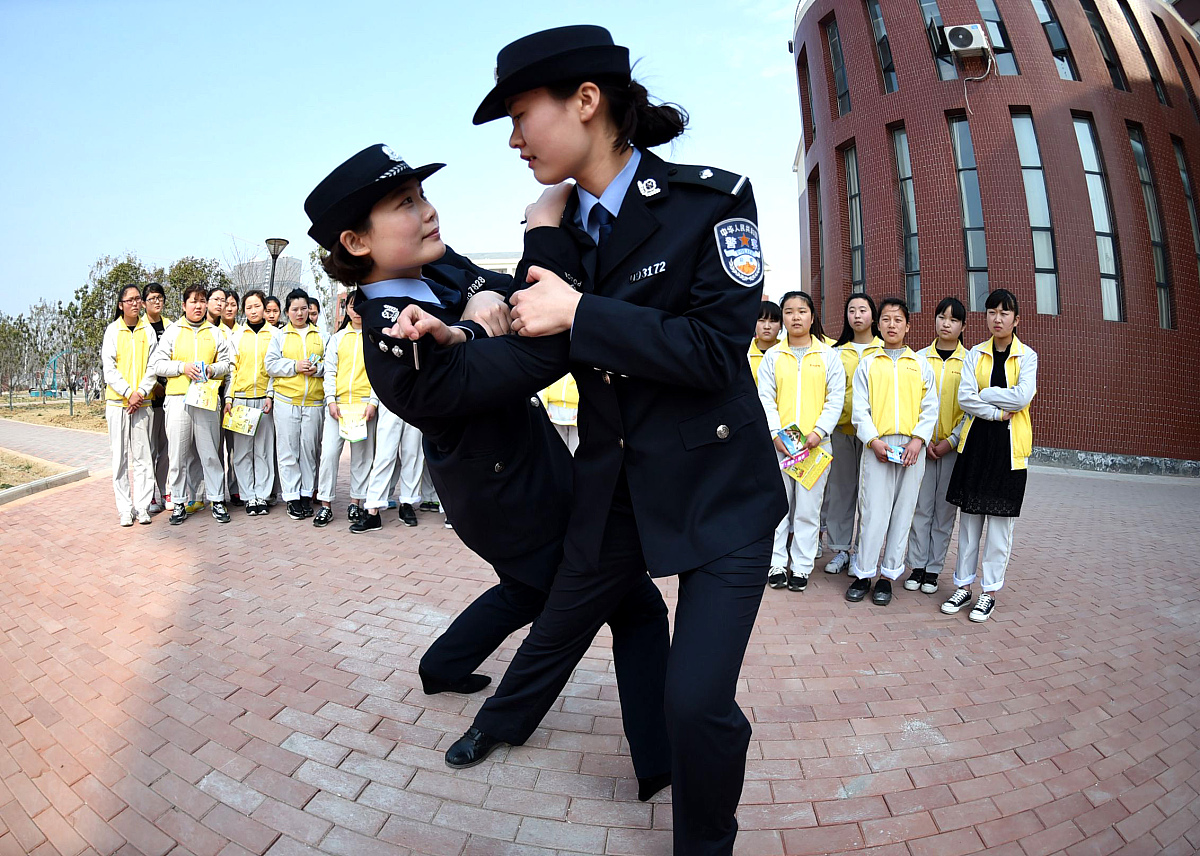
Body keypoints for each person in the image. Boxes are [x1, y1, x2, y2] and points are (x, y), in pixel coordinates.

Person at [443, 26, 787, 855]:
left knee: (695, 699)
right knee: (562, 618)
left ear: (587, 102)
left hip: (719, 489)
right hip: (617, 485)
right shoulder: (567, 228)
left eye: (522, 116)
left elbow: (712, 350)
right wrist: (468, 323)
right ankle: (503, 721)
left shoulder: (709, 202)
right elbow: (539, 324)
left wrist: (581, 311)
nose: (515, 140)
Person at [303, 142, 671, 796]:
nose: (429, 213)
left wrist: (482, 313)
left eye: (423, 196)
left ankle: (444, 666)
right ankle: (611, 749)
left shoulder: (434, 268)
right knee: (623, 606)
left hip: (535, 473)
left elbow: (506, 293)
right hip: (508, 506)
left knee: (535, 596)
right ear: (357, 241)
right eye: (405, 204)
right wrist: (543, 231)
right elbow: (542, 352)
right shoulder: (398, 337)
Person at [941, 288, 1037, 622]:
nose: (998, 318)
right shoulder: (974, 355)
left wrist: (986, 392)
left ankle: (989, 591)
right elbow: (965, 398)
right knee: (969, 523)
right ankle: (963, 586)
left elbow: (1022, 398)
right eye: (992, 312)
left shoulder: (1028, 357)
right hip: (977, 445)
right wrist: (996, 409)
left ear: (1016, 319)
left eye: (1005, 313)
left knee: (999, 528)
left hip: (1009, 452)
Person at [846, 297, 938, 605]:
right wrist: (872, 440)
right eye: (886, 319)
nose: (892, 325)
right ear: (878, 324)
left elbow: (930, 408)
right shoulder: (869, 364)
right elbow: (860, 409)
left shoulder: (920, 364)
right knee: (872, 511)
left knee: (903, 512)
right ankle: (863, 573)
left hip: (912, 449)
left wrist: (918, 440)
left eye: (898, 320)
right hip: (879, 447)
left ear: (908, 325)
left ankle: (887, 576)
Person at [757, 291, 844, 592]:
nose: (795, 317)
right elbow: (765, 398)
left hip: (814, 446)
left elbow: (835, 399)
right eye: (789, 312)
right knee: (779, 507)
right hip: (781, 446)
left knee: (808, 509)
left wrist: (818, 432)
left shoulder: (828, 355)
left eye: (802, 311)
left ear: (811, 316)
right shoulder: (773, 356)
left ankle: (802, 566)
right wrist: (776, 434)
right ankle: (777, 564)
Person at [148, 284, 233, 524]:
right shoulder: (173, 332)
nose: (198, 306)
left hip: (206, 400)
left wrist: (211, 369)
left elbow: (226, 365)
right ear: (184, 305)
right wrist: (182, 368)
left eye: (202, 301)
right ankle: (178, 502)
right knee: (177, 455)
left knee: (210, 454)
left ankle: (217, 500)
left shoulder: (215, 333)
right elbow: (157, 365)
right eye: (193, 301)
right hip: (177, 399)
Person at [905, 297, 968, 595]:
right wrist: (923, 436)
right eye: (942, 317)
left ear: (962, 326)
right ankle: (916, 566)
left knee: (944, 511)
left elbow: (971, 409)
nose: (946, 323)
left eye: (953, 320)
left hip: (952, 449)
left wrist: (951, 441)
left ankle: (932, 570)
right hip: (922, 446)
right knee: (921, 508)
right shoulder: (917, 359)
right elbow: (913, 403)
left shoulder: (970, 361)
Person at [824, 293, 883, 576]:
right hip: (842, 432)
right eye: (851, 310)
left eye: (863, 310)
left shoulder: (885, 350)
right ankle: (840, 550)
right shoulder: (836, 352)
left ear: (873, 315)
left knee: (870, 495)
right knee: (842, 492)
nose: (857, 315)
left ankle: (863, 550)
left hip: (874, 436)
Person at [314, 289, 377, 527]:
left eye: (361, 305)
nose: (357, 310)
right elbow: (330, 371)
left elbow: (377, 375)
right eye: (352, 306)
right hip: (337, 406)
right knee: (329, 454)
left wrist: (372, 402)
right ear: (347, 309)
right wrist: (330, 400)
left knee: (362, 458)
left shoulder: (373, 337)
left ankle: (355, 503)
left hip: (362, 407)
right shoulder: (338, 339)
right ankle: (326, 504)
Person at [265, 289, 325, 520]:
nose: (300, 313)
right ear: (287, 311)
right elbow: (270, 365)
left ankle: (305, 494)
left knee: (309, 450)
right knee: (288, 450)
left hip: (313, 402)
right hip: (286, 401)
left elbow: (329, 366)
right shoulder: (280, 336)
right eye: (295, 309)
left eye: (303, 309)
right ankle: (291, 497)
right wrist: (294, 366)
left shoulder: (321, 336)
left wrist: (317, 370)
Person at [102, 284, 158, 526]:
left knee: (144, 457)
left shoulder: (149, 331)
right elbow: (109, 368)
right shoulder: (113, 331)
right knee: (120, 458)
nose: (135, 303)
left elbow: (154, 366)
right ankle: (125, 508)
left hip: (143, 403)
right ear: (120, 305)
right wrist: (128, 393)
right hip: (118, 404)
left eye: (138, 299)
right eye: (130, 300)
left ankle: (143, 506)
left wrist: (141, 392)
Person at [225, 289, 276, 516]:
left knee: (263, 450)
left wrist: (271, 394)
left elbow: (276, 371)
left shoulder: (275, 335)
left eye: (257, 306)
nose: (253, 311)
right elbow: (232, 370)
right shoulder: (236, 336)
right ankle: (248, 496)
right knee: (243, 451)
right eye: (249, 307)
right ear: (243, 310)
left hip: (264, 400)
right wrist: (229, 398)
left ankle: (263, 495)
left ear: (264, 308)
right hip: (241, 401)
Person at [354, 403, 424, 531]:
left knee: (413, 454)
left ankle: (407, 504)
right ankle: (373, 509)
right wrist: (373, 402)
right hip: (389, 398)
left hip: (415, 399)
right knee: (384, 455)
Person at [141, 281, 170, 512]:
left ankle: (165, 490)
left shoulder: (172, 326)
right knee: (148, 450)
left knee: (168, 449)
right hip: (149, 399)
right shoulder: (139, 328)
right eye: (152, 298)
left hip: (170, 397)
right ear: (143, 303)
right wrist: (153, 387)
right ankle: (149, 495)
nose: (156, 301)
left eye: (160, 297)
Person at [538, 373, 579, 453]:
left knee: (576, 448)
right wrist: (544, 408)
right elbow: (544, 386)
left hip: (576, 411)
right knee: (556, 446)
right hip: (553, 411)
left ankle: (575, 464)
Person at [748, 299, 781, 385]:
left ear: (781, 325)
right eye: (761, 321)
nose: (767, 326)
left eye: (772, 321)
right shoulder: (744, 354)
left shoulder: (786, 352)